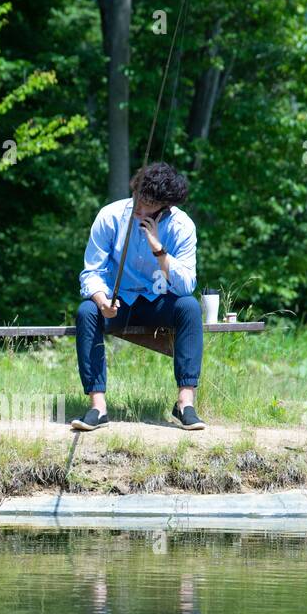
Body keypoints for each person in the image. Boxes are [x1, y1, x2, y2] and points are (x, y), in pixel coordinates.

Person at [73, 162, 205, 431]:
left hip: (158, 302)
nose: (139, 210)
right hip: (116, 302)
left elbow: (186, 285)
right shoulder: (109, 217)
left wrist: (159, 249)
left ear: (164, 208)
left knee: (189, 307)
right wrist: (102, 301)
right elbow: (91, 273)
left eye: (148, 207)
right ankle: (98, 408)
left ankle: (184, 404)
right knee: (86, 311)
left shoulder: (182, 226)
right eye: (138, 200)